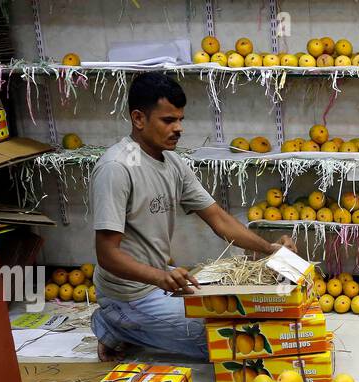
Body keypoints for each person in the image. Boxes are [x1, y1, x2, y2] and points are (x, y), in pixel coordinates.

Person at [90, 72, 295, 361]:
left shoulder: (172, 161)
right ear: (138, 119)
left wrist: (269, 249)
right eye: (168, 121)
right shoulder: (116, 168)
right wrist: (161, 276)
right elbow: (107, 255)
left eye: (180, 120)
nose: (178, 128)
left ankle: (129, 325)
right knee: (231, 342)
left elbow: (218, 218)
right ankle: (112, 322)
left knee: (251, 318)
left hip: (160, 287)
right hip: (130, 295)